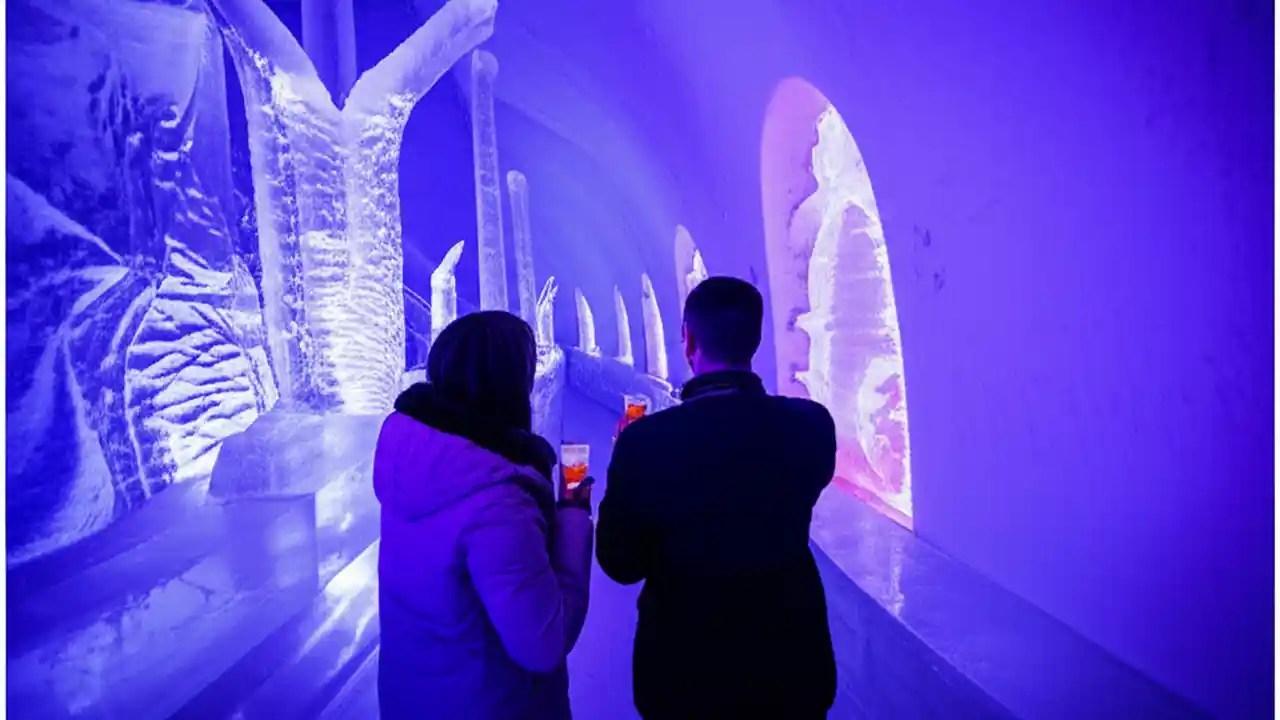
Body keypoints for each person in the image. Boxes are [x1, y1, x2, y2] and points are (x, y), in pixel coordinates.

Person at [597, 277, 838, 719]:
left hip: (684, 675)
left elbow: (621, 563)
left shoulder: (646, 443)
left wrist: (626, 461)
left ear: (688, 340)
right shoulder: (813, 425)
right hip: (791, 667)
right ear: (755, 339)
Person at [374, 311, 594, 720]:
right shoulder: (496, 500)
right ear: (510, 384)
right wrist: (574, 519)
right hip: (490, 704)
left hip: (415, 696)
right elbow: (543, 639)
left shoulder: (419, 461)